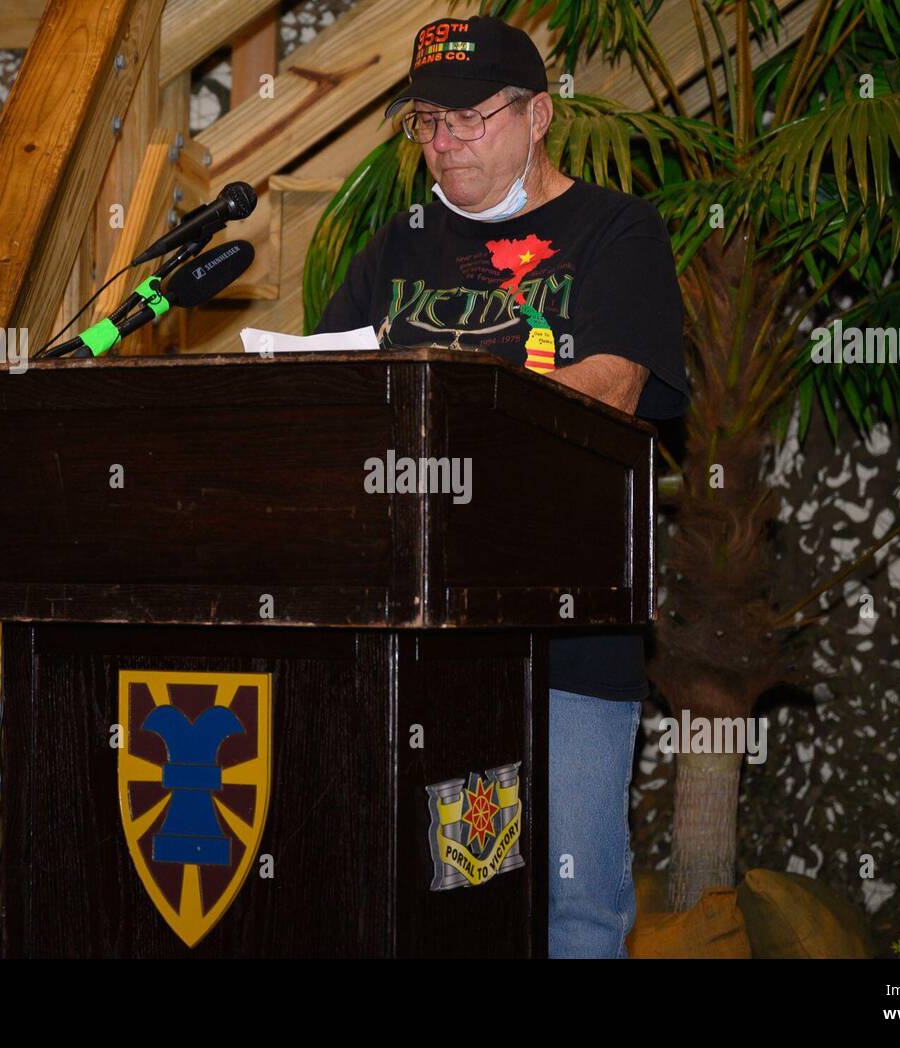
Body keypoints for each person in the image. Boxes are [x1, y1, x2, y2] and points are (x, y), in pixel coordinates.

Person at [314, 14, 688, 958]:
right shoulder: (395, 245)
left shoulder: (615, 231)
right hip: (411, 633)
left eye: (470, 119)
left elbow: (613, 387)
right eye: (427, 123)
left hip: (569, 623)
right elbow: (320, 392)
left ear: (539, 116)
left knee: (577, 903)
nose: (445, 144)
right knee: (422, 894)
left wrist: (445, 416)